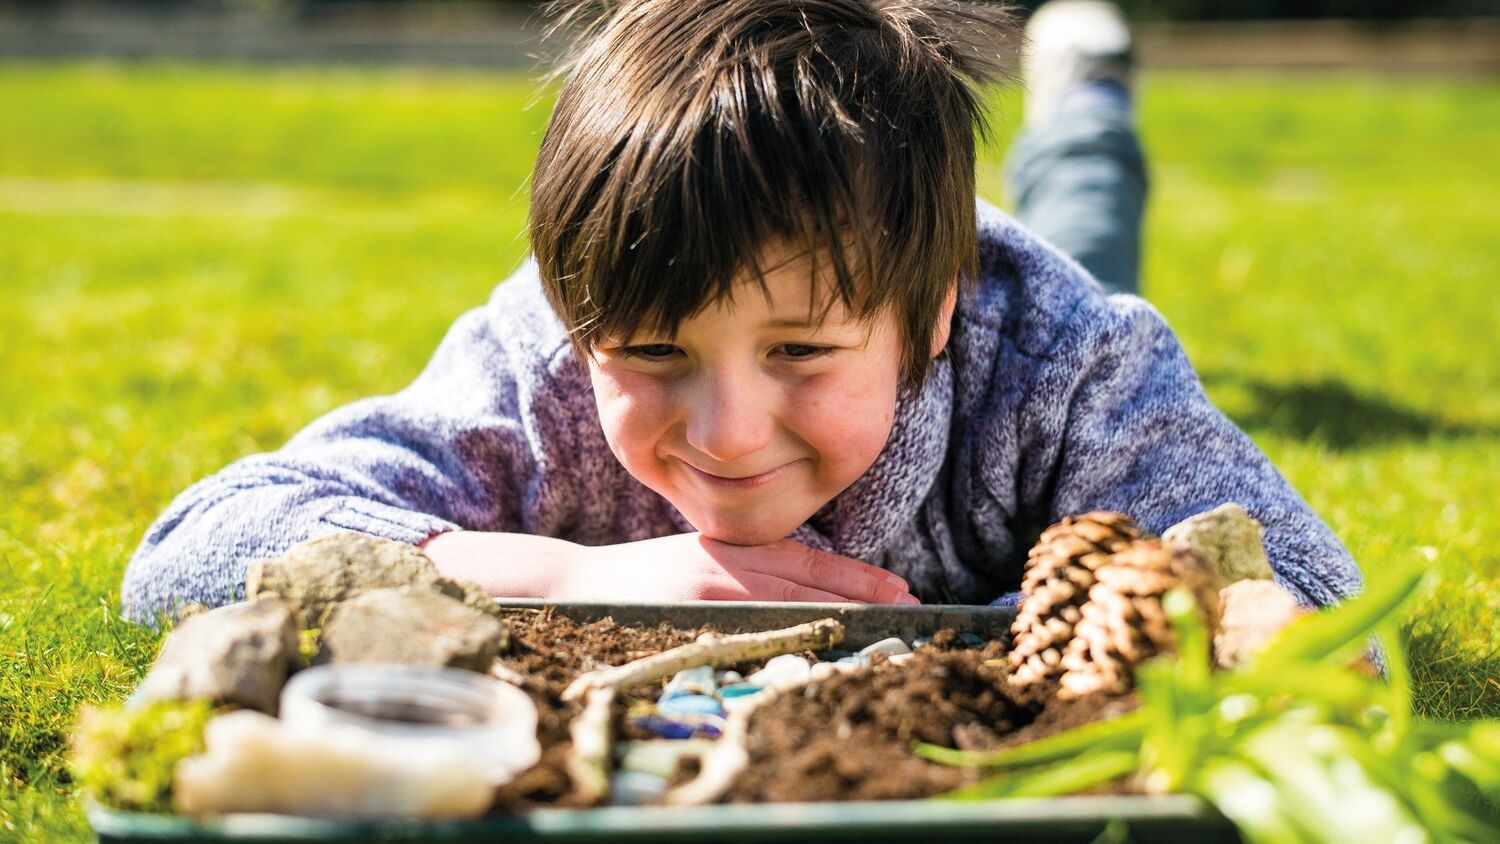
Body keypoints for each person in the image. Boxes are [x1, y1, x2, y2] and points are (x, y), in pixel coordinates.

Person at [121, 0, 1362, 621]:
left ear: (928, 318)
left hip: (1020, 278)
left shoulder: (1064, 359)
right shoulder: (538, 362)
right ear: (579, 314)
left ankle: (1084, 92)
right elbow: (188, 556)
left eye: (801, 351)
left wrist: (980, 640)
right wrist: (566, 574)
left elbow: (1308, 592)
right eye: (654, 352)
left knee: (1090, 224)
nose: (723, 433)